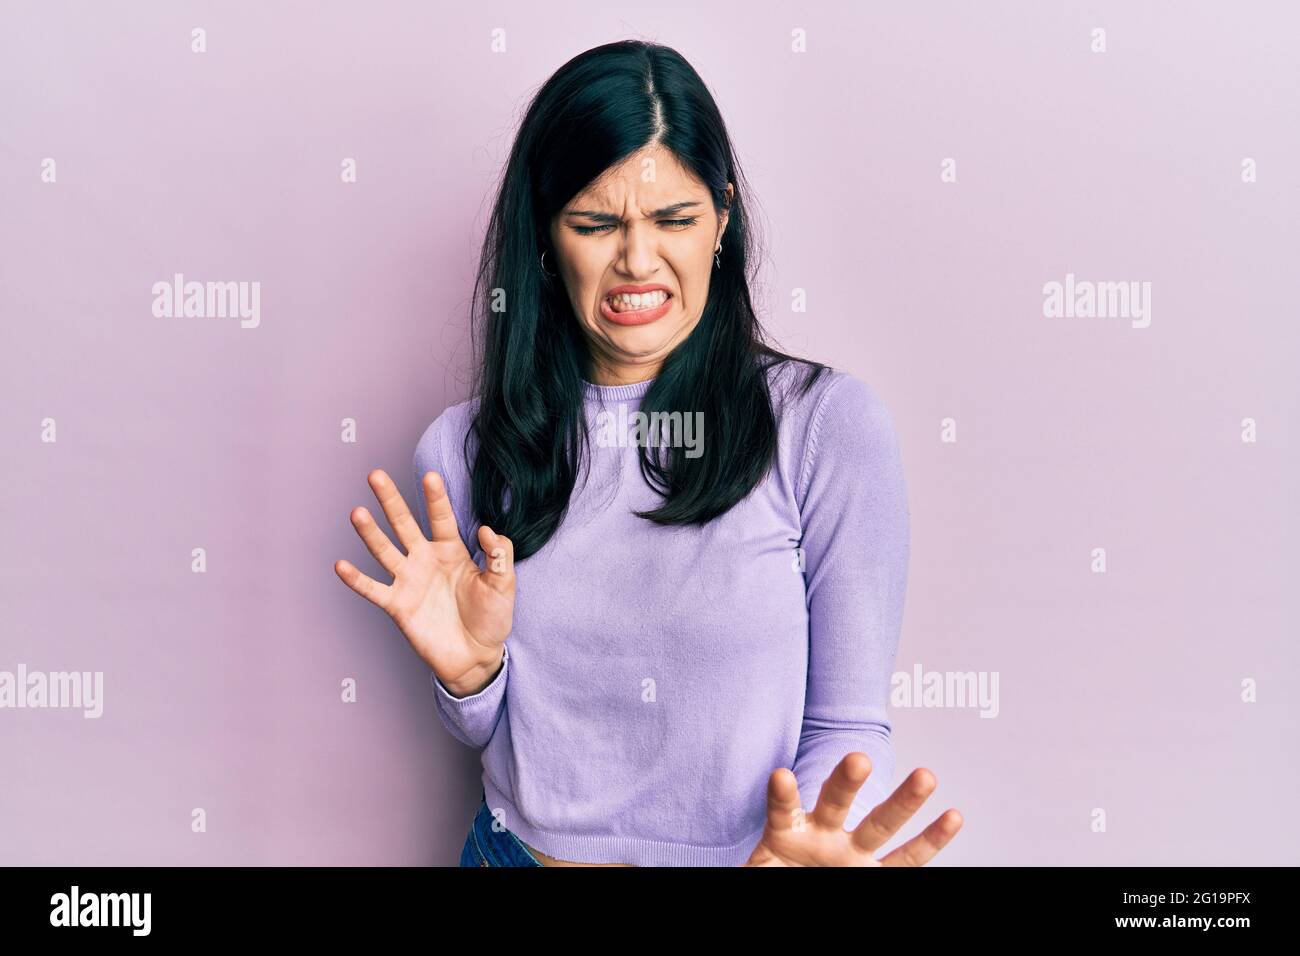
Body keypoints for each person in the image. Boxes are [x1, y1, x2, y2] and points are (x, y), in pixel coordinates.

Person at [335, 39, 962, 867]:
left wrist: (797, 846)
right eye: (596, 223)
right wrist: (471, 675)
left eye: (674, 219)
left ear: (723, 219)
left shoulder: (826, 427)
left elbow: (848, 725)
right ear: (546, 236)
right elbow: (496, 738)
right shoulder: (463, 450)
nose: (637, 260)